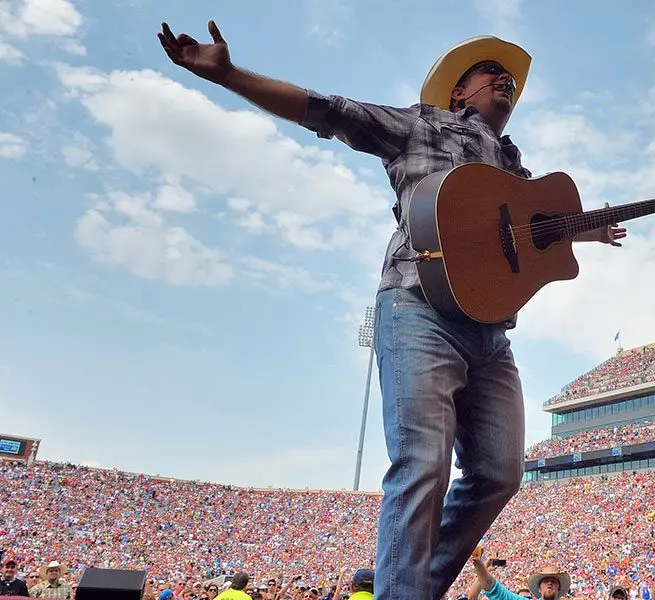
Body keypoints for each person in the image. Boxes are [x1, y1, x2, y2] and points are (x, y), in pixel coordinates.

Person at [156, 22, 626, 600]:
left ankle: (412, 589)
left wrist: (582, 230)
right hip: (419, 307)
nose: (503, 80)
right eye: (489, 74)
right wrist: (229, 75)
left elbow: (530, 236)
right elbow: (329, 110)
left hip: (490, 332)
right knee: (422, 463)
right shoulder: (420, 125)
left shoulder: (514, 169)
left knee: (500, 473)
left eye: (509, 80)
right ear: (458, 93)